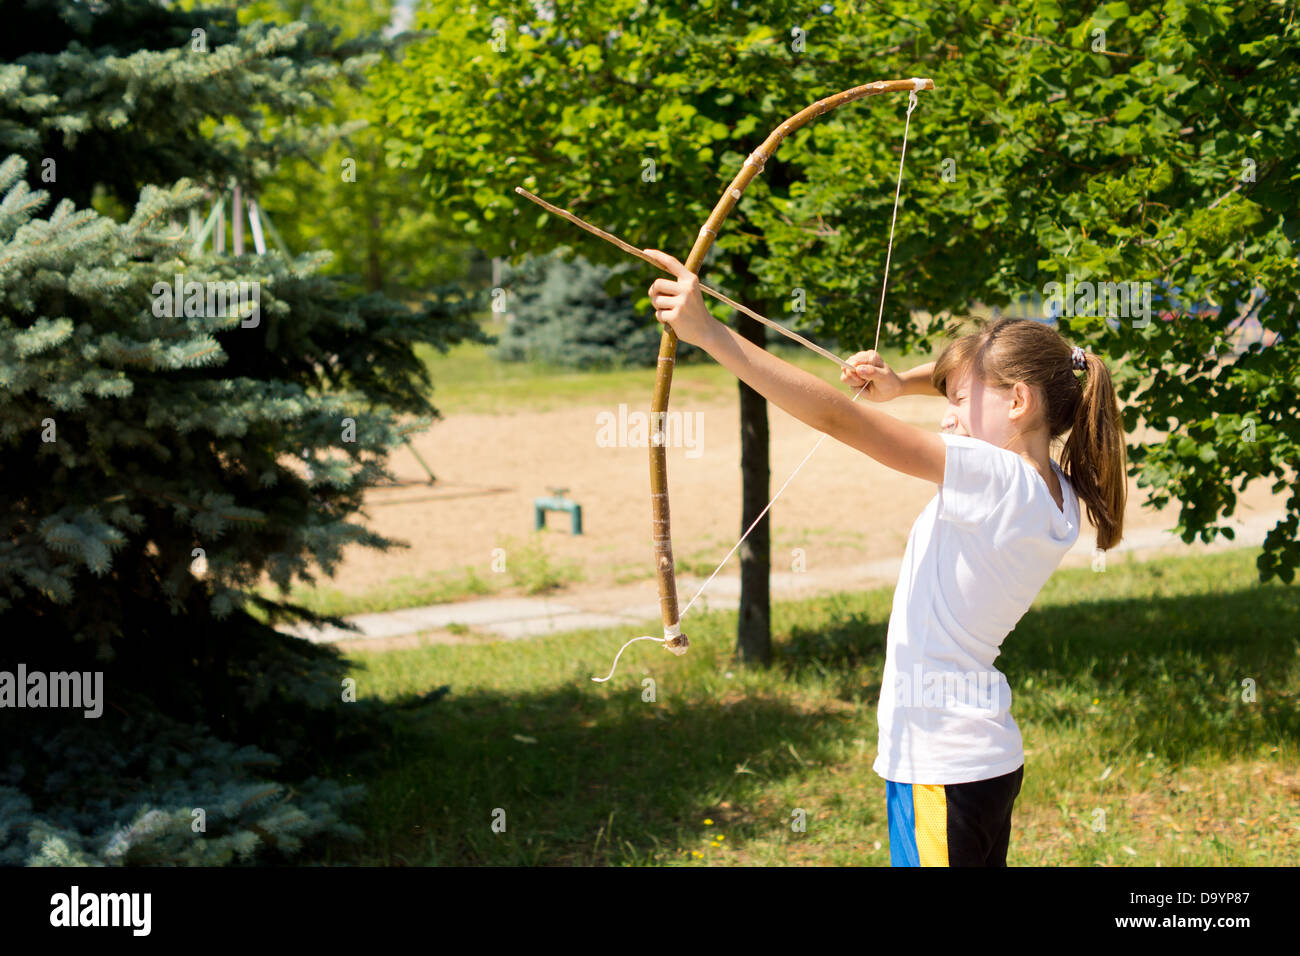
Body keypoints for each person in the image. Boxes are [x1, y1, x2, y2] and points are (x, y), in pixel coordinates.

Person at [642, 248, 1128, 866]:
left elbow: (840, 418)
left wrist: (709, 333)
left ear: (1018, 404)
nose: (947, 414)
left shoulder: (993, 475)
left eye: (958, 400)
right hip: (978, 760)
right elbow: (988, 388)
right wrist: (905, 384)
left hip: (943, 764)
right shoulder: (1055, 489)